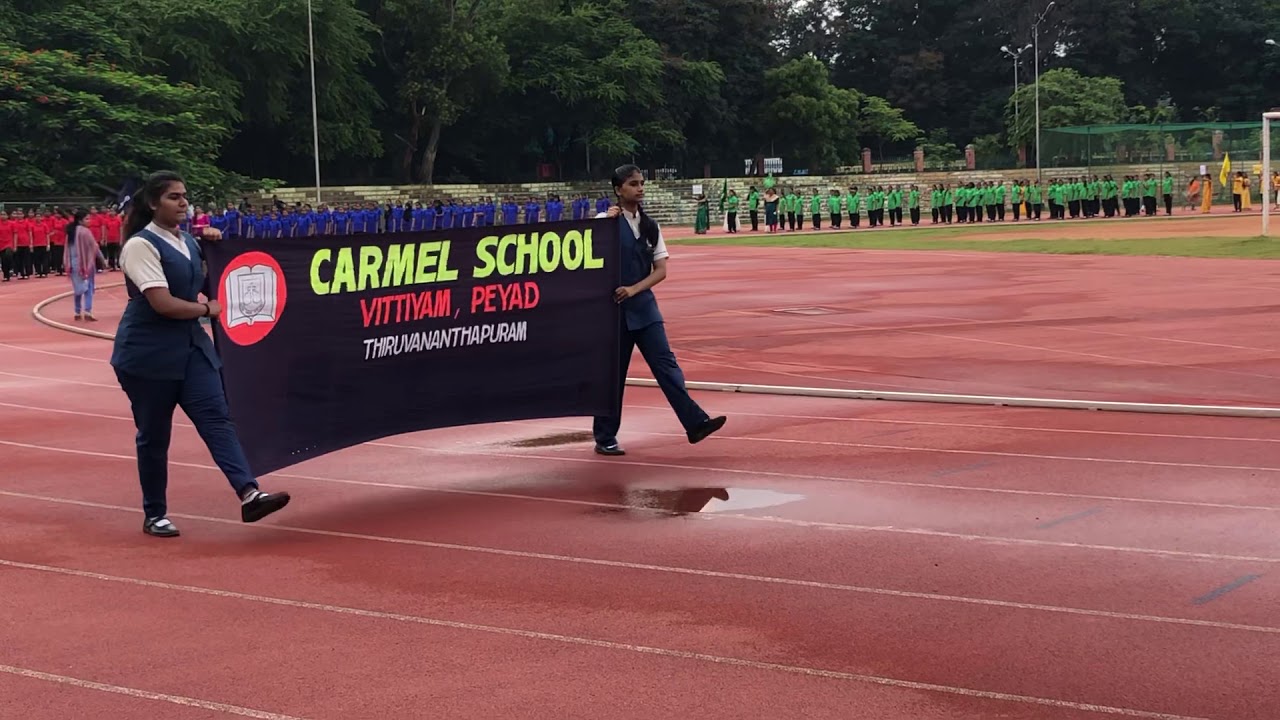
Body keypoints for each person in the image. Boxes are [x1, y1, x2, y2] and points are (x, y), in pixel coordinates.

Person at [111, 171, 290, 538]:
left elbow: (205, 286)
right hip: (148, 356)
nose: (183, 203)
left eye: (184, 196)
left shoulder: (189, 244)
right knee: (154, 435)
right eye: (174, 197)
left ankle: (249, 492)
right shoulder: (140, 246)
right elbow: (163, 304)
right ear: (152, 203)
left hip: (192, 350)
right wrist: (207, 311)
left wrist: (215, 252)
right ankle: (155, 513)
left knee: (217, 419)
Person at [592, 164, 726, 456]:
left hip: (644, 308)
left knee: (667, 367)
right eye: (632, 184)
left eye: (641, 183)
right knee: (613, 376)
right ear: (618, 190)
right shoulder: (604, 222)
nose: (639, 188)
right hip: (614, 313)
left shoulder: (651, 226)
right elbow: (589, 260)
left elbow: (661, 270)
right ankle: (605, 436)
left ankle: (695, 423)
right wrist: (603, 226)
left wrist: (635, 289)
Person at [64, 209, 105, 321]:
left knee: (78, 288)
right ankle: (87, 311)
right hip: (85, 264)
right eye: (87, 218)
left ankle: (77, 312)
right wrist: (102, 259)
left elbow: (67, 249)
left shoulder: (70, 232)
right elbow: (94, 247)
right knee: (89, 287)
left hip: (73, 263)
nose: (89, 221)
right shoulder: (85, 232)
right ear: (80, 220)